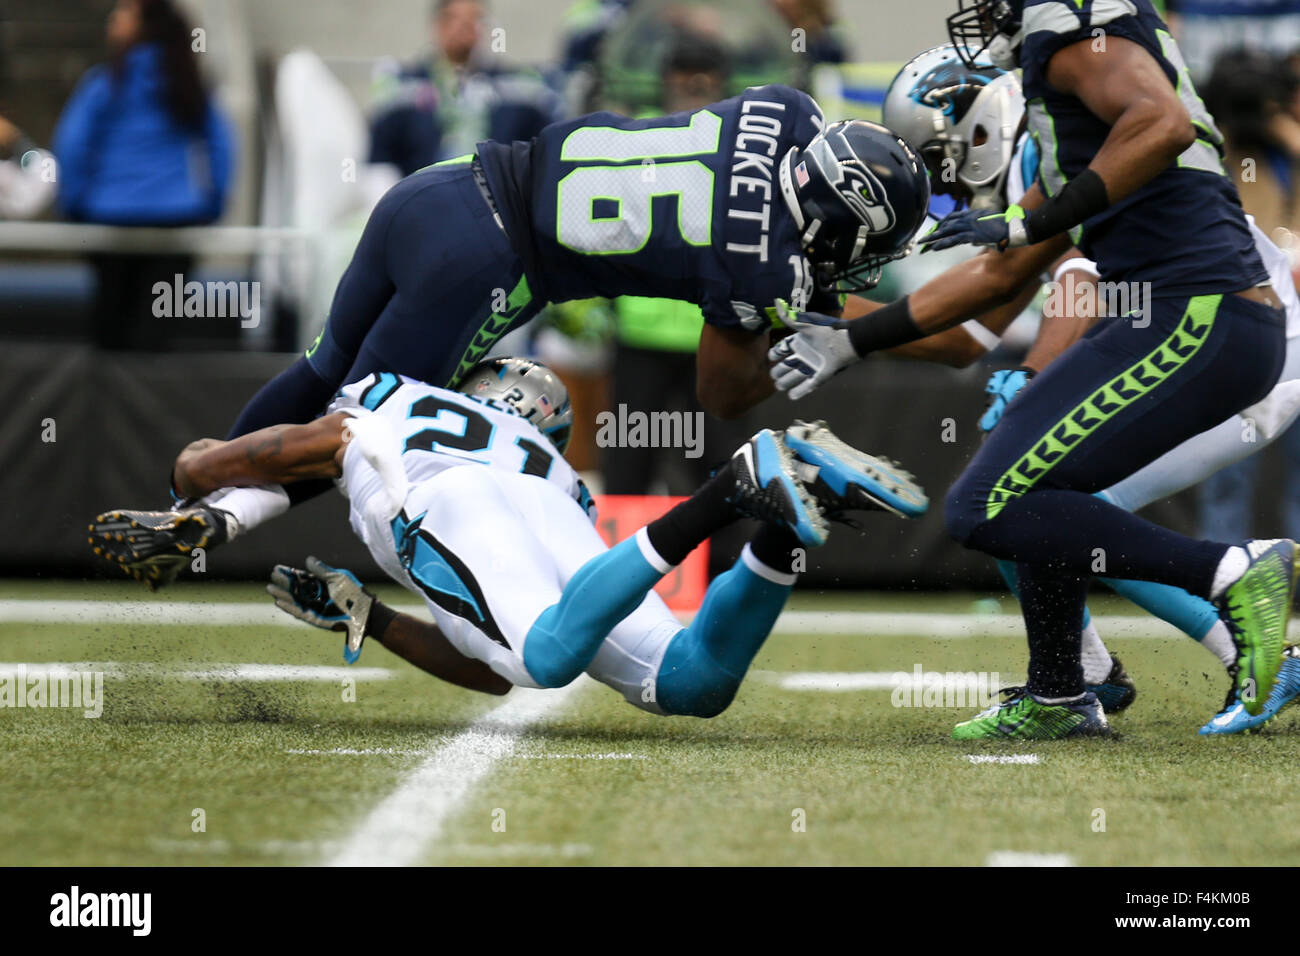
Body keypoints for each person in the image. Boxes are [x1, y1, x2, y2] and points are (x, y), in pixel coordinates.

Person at [88, 83, 931, 589]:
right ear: (828, 216)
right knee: (362, 433)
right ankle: (203, 476)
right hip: (489, 258)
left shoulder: (786, 113)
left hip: (444, 187)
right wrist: (813, 330)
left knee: (324, 370)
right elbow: (718, 391)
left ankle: (191, 511)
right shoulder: (765, 266)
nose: (860, 266)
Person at [769, 0, 1298, 738]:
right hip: (1197, 316)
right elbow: (994, 284)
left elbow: (1153, 139)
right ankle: (1062, 691)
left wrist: (1035, 351)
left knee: (995, 503)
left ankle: (1234, 576)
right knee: (1040, 490)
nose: (943, 173)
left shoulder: (1071, 35)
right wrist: (849, 338)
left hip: (1204, 315)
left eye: (940, 152)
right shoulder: (1068, 121)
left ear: (975, 123)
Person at [93, 358, 927, 715]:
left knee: (547, 659)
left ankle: (729, 489)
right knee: (692, 681)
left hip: (435, 494)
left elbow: (319, 444)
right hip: (554, 513)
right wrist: (371, 617)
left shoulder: (405, 394)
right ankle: (781, 528)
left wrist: (198, 489)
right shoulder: (548, 463)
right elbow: (487, 672)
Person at [53, 0, 235, 350]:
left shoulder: (105, 83)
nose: (113, 18)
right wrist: (211, 202)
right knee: (158, 340)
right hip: (175, 222)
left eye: (124, 12)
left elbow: (72, 145)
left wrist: (77, 204)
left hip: (110, 221)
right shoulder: (189, 83)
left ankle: (106, 404)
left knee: (109, 336)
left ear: (146, 26)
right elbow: (223, 147)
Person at [368, 0, 561, 176]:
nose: (464, 28)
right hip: (421, 199)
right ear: (438, 25)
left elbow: (545, 146)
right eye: (455, 19)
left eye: (474, 19)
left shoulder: (519, 87)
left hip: (496, 204)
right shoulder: (404, 87)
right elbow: (379, 157)